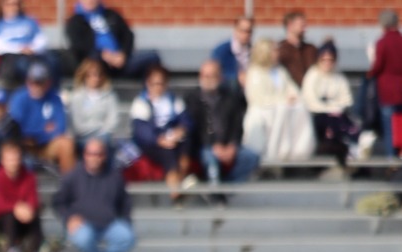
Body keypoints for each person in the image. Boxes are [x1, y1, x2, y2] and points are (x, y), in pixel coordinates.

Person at [55, 136, 133, 252]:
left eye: (98, 154)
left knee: (127, 237)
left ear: (104, 156)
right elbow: (59, 202)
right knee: (84, 238)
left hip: (108, 224)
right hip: (82, 224)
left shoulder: (114, 176)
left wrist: (126, 220)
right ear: (85, 155)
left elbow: (125, 202)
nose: (94, 158)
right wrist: (69, 218)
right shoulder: (72, 176)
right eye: (90, 153)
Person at [246, 37, 315, 164]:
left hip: (284, 107)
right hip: (264, 111)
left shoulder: (280, 71)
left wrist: (294, 97)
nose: (277, 54)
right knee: (281, 111)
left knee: (301, 108)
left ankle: (299, 152)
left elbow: (292, 89)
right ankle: (274, 153)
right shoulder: (255, 72)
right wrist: (283, 100)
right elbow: (258, 98)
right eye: (274, 51)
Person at [192, 59, 259, 187]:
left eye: (213, 75)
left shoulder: (230, 98)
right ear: (200, 77)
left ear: (220, 77)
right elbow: (196, 130)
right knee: (210, 160)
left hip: (229, 145)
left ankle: (227, 187)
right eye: (206, 76)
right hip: (205, 147)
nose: (209, 79)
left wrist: (232, 145)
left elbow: (237, 125)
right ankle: (215, 192)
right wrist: (214, 146)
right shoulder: (193, 100)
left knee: (252, 158)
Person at [130, 64, 192, 197]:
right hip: (152, 143)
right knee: (168, 153)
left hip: (172, 138)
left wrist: (180, 131)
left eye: (161, 83)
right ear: (148, 83)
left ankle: (180, 181)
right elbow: (141, 131)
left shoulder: (173, 100)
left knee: (186, 145)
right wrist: (159, 140)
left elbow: (185, 120)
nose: (158, 87)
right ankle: (176, 193)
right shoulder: (141, 103)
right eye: (154, 83)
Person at [0, 138, 48, 252]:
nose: (13, 162)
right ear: (2, 161)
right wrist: (16, 207)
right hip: (2, 221)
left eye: (16, 158)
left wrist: (29, 209)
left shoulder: (29, 176)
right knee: (9, 215)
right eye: (10, 159)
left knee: (35, 215)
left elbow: (33, 199)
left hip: (24, 218)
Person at [368, 9, 402, 157]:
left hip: (388, 92)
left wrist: (369, 74)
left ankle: (391, 159)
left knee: (390, 128)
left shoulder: (382, 42)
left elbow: (377, 66)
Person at [8, 63, 76, 173]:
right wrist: (44, 130)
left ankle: (69, 187)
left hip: (47, 146)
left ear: (48, 83)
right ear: (27, 82)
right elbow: (17, 128)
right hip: (25, 146)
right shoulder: (19, 98)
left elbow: (60, 128)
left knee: (66, 143)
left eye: (40, 82)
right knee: (10, 146)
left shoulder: (55, 99)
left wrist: (36, 134)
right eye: (33, 82)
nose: (36, 85)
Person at [302, 42, 356, 167]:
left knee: (345, 125)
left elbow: (347, 99)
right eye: (324, 59)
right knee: (331, 125)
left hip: (337, 115)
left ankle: (351, 153)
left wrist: (335, 107)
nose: (327, 63)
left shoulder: (339, 77)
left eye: (330, 60)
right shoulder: (312, 75)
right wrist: (329, 108)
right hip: (317, 116)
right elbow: (310, 100)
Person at [0, 0, 47, 88]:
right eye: (9, 4)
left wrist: (32, 49)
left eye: (16, 4)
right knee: (24, 66)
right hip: (10, 59)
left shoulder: (30, 21)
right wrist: (20, 49)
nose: (13, 7)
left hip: (33, 55)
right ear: (2, 6)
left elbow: (41, 40)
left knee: (51, 63)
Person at [65, 0, 134, 77]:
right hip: (94, 63)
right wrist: (103, 55)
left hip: (120, 60)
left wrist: (123, 54)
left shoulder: (112, 15)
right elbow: (79, 47)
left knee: (148, 58)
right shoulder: (75, 22)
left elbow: (128, 36)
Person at [69, 58, 124, 148]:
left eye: (99, 74)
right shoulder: (76, 97)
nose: (96, 78)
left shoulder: (110, 96)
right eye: (91, 75)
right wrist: (100, 127)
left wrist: (99, 134)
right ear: (84, 76)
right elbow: (77, 126)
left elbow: (113, 122)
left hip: (104, 139)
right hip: (82, 139)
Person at [276, 10, 316, 87]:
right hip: (290, 94)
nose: (304, 29)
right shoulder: (280, 51)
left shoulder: (310, 50)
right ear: (290, 25)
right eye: (301, 26)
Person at [211, 15, 254, 81]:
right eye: (242, 31)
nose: (246, 35)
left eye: (249, 31)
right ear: (235, 30)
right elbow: (214, 73)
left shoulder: (254, 52)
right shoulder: (222, 51)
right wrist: (236, 77)